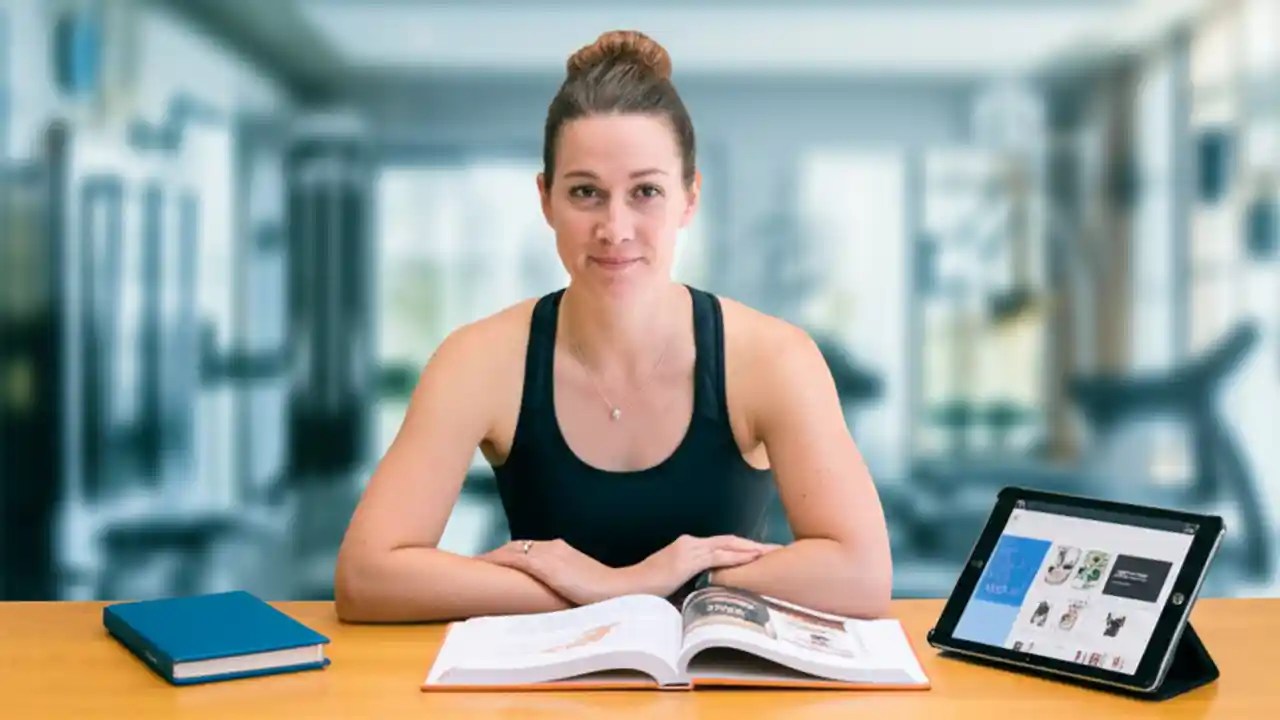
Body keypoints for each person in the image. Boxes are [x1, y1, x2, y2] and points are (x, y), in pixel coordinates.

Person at [334, 30, 891, 623]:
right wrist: (626, 587)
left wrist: (645, 583)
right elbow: (367, 576)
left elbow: (861, 575)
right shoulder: (479, 358)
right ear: (546, 199)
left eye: (646, 191)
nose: (616, 227)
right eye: (585, 193)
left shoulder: (773, 357)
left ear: (689, 198)